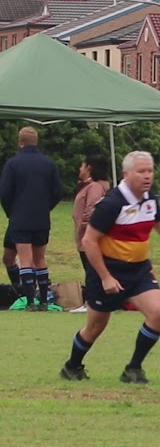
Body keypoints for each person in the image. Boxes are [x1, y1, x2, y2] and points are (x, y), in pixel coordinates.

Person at [59, 151, 160, 383]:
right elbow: (89, 241)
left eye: (150, 171)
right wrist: (105, 277)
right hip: (108, 270)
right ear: (126, 174)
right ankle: (72, 366)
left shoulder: (148, 198)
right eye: (141, 171)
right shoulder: (111, 204)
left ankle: (133, 369)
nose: (147, 176)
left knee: (158, 313)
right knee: (95, 327)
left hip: (138, 271)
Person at [0, 126, 64, 311]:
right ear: (36, 142)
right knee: (40, 259)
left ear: (20, 142)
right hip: (42, 218)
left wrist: (12, 211)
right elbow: (58, 192)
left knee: (25, 260)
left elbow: (4, 192)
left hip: (20, 217)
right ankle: (43, 301)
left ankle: (29, 301)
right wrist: (45, 207)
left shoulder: (13, 164)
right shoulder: (49, 164)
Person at [69, 156, 112, 313]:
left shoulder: (94, 187)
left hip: (89, 237)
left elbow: (92, 209)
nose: (79, 169)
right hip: (85, 236)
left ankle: (91, 302)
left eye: (82, 165)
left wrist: (84, 228)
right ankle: (94, 300)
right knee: (90, 269)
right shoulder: (89, 186)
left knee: (92, 270)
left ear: (89, 167)